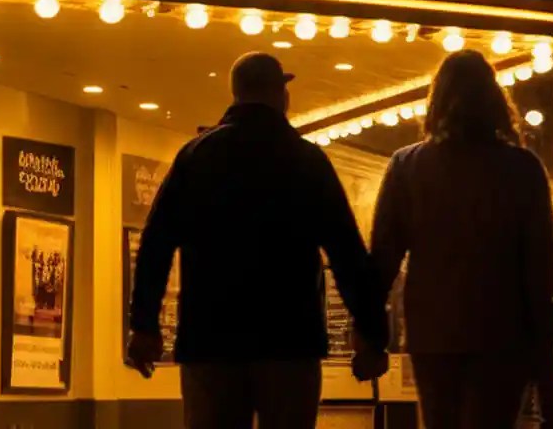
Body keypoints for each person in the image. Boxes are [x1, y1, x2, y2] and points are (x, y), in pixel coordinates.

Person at [128, 51, 390, 429]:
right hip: (289, 340)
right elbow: (346, 252)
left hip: (210, 340)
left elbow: (156, 244)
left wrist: (144, 326)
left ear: (235, 93)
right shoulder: (306, 160)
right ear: (280, 94)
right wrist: (372, 335)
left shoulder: (196, 157)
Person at [370, 49, 553, 429]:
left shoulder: (407, 166)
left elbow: (381, 263)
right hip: (503, 337)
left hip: (433, 336)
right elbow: (539, 278)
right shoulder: (523, 170)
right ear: (494, 102)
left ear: (437, 102)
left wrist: (367, 335)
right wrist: (548, 375)